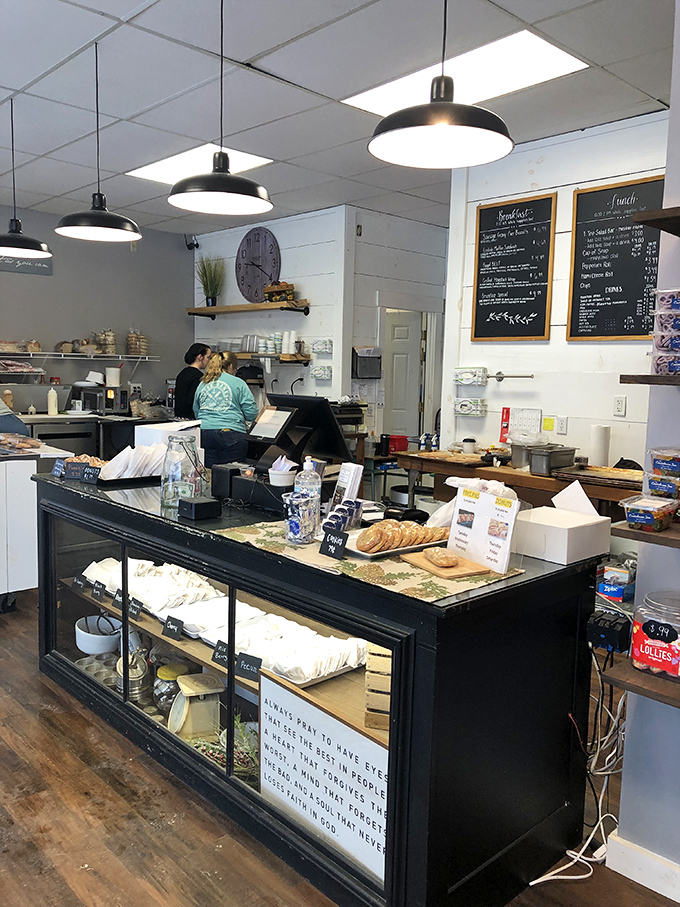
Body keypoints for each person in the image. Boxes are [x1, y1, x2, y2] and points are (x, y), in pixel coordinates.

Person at [193, 351, 259, 467]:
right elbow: (251, 414)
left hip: (204, 434)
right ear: (231, 366)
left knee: (208, 475)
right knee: (231, 476)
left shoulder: (203, 383)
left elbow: (196, 410)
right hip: (231, 434)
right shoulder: (238, 383)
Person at [174, 343, 211, 419]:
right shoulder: (198, 376)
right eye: (208, 357)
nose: (209, 361)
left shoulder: (183, 373)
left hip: (179, 416)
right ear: (200, 357)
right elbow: (194, 400)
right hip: (191, 417)